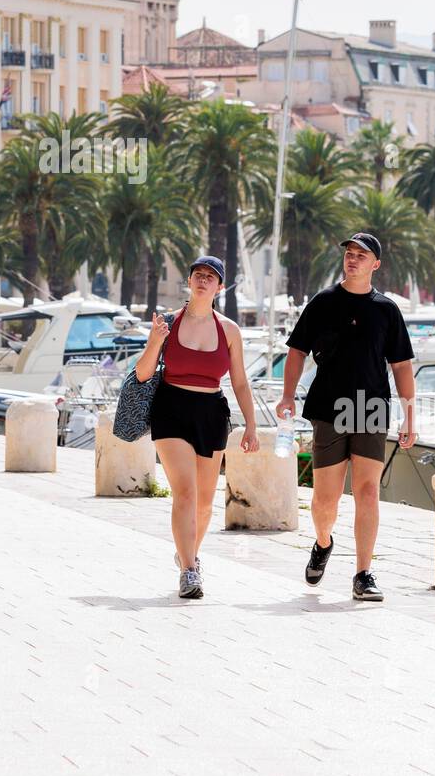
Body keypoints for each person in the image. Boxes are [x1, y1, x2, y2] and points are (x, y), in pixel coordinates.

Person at [276, 233, 416, 603]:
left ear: (376, 264)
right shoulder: (323, 303)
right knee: (326, 499)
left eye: (361, 255)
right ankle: (323, 543)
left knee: (368, 491)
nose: (352, 260)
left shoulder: (386, 310)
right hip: (329, 407)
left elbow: (401, 365)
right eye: (349, 254)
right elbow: (296, 352)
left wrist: (409, 416)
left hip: (371, 407)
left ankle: (363, 573)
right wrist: (288, 396)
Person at [135, 255, 259, 600]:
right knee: (185, 493)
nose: (203, 280)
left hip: (212, 412)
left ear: (220, 287)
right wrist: (154, 341)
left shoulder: (230, 330)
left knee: (205, 503)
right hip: (172, 408)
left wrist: (251, 425)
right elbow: (143, 374)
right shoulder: (168, 323)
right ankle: (190, 571)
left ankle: (188, 553)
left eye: (211, 276)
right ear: (189, 282)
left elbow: (241, 382)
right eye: (198, 275)